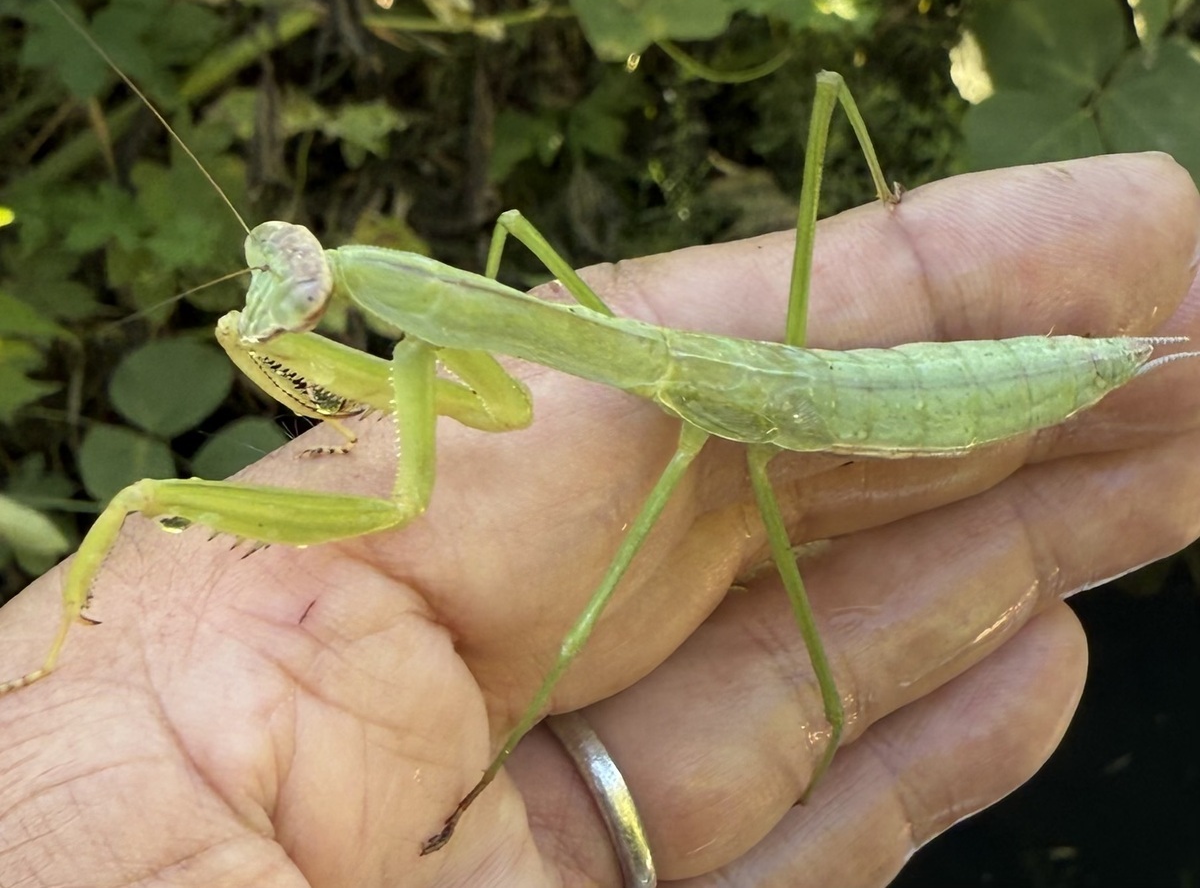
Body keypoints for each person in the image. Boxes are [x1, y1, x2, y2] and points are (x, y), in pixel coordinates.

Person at [1, 152, 1197, 887]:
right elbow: (485, 400)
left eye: (298, 283)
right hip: (745, 388)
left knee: (755, 636)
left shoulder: (457, 349)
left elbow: (425, 474)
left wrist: (472, 792)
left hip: (842, 398)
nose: (282, 306)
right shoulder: (454, 333)